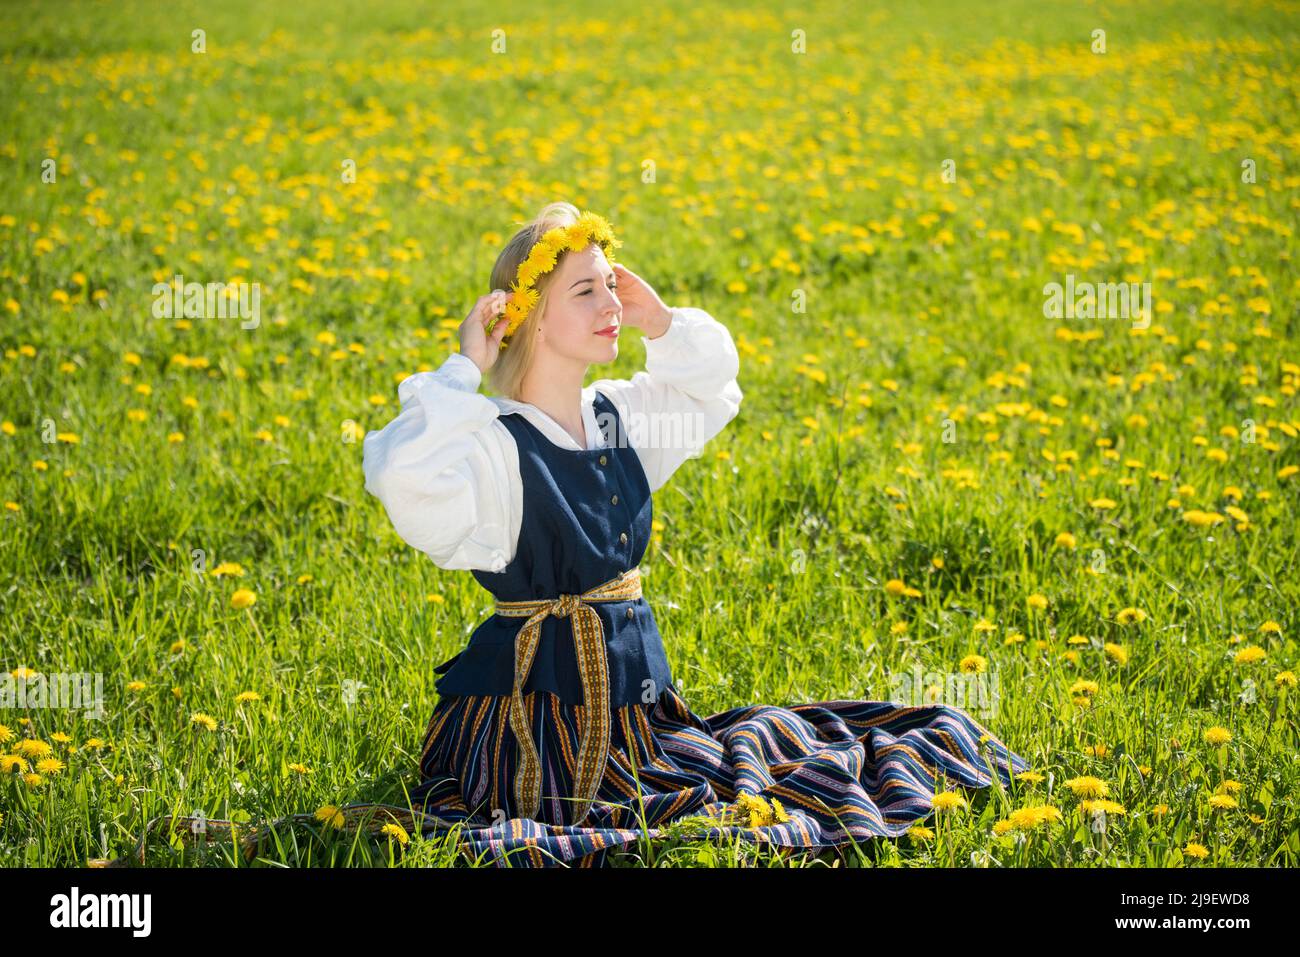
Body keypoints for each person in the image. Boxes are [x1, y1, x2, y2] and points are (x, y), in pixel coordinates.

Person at [360, 201, 1032, 867]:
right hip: (528, 728)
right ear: (529, 317)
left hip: (637, 716)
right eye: (586, 290)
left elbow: (712, 391)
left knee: (766, 763)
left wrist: (660, 322)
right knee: (680, 813)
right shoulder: (495, 448)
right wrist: (464, 368)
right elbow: (403, 472)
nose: (610, 305)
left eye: (612, 284)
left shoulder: (617, 415)